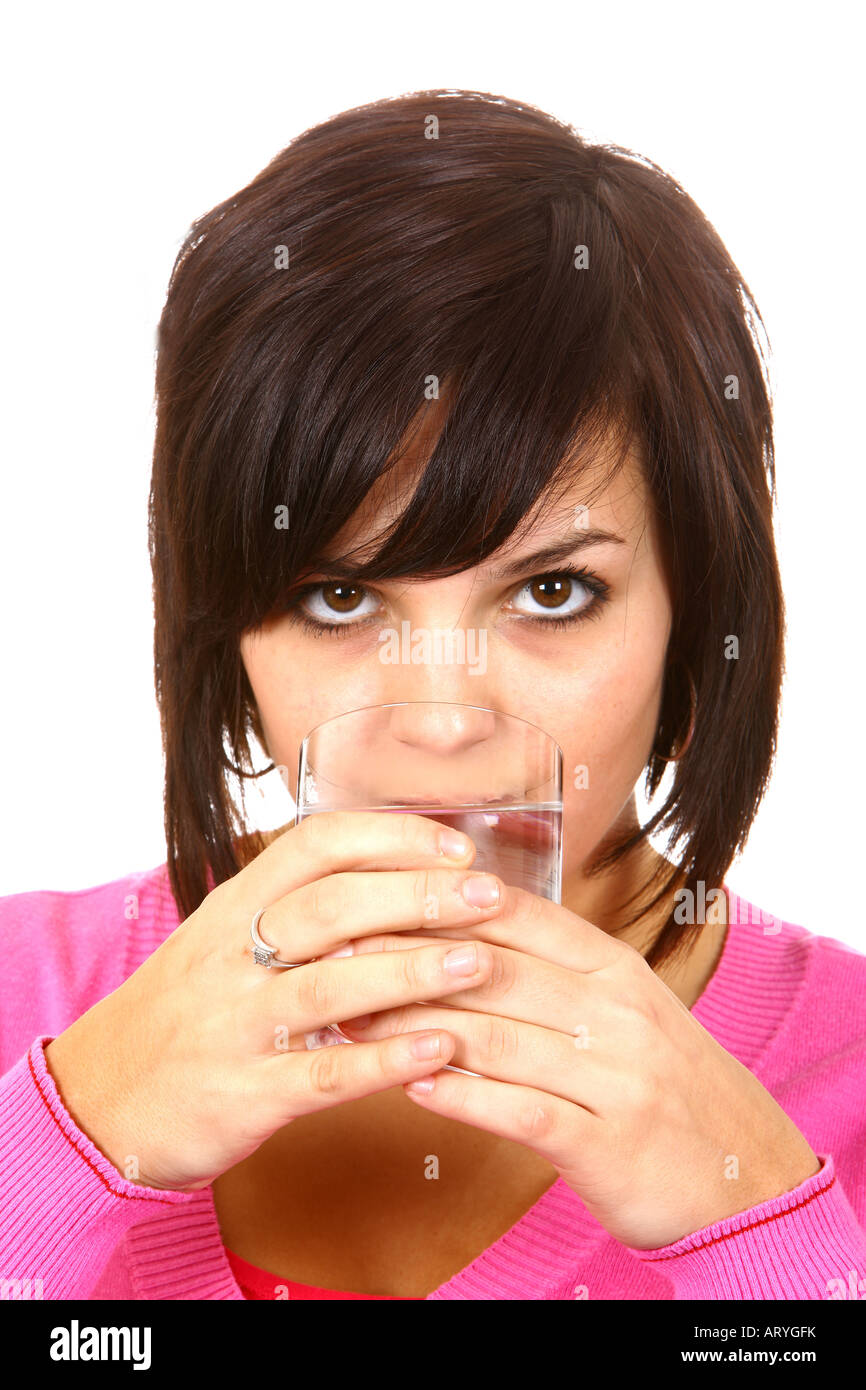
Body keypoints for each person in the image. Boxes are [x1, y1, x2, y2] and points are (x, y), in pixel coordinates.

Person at [1, 89, 864, 1302]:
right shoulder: (21, 995)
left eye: (554, 591)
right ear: (220, 618)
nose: (445, 719)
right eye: (340, 599)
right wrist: (61, 1148)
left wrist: (759, 1227)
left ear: (697, 603)